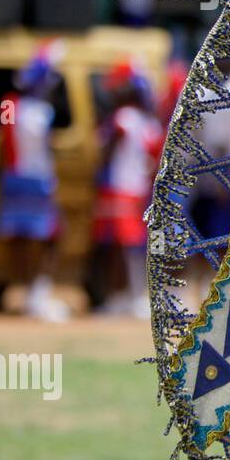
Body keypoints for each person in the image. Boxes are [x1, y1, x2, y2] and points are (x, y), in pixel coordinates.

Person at [0, 41, 70, 322]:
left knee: (21, 238)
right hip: (37, 180)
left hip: (13, 178)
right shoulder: (43, 112)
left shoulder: (8, 104)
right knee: (49, 236)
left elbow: (4, 132)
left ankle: (28, 292)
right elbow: (44, 147)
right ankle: (36, 293)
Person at [92, 59, 164, 318]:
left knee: (122, 248)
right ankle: (128, 296)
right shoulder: (147, 122)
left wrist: (98, 174)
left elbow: (108, 150)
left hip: (119, 187)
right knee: (130, 247)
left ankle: (127, 296)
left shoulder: (124, 118)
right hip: (136, 190)